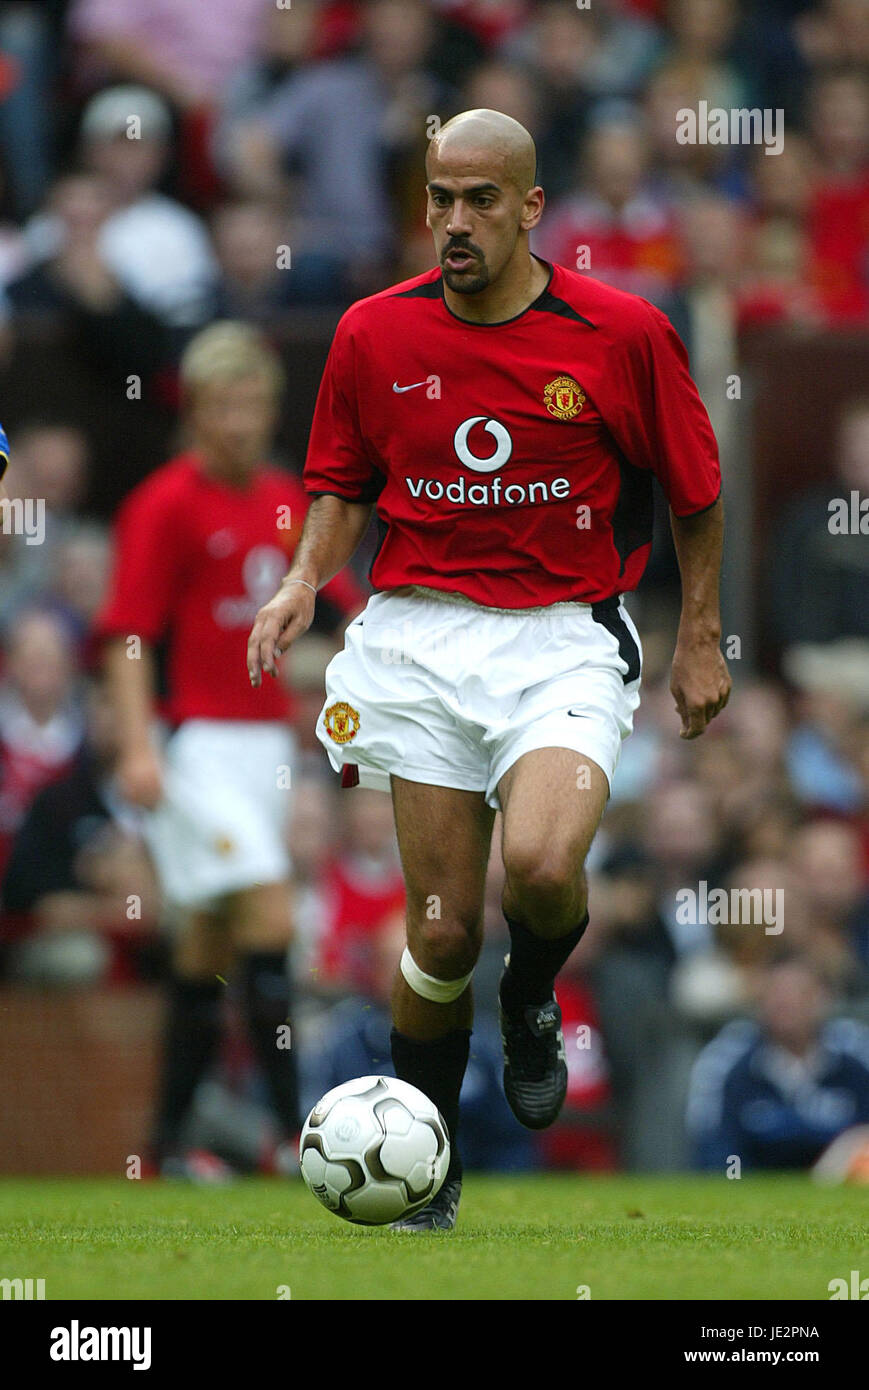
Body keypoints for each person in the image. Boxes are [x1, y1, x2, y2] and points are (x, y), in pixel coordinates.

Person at [247, 109, 731, 1230]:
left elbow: (696, 492)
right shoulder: (371, 333)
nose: (453, 222)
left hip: (562, 632)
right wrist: (299, 578)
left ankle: (529, 997)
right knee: (439, 928)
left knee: (548, 866)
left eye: (477, 200)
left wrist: (698, 633)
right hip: (419, 636)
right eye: (437, 198)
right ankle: (426, 1170)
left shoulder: (619, 334)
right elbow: (338, 485)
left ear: (528, 209)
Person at [96, 321, 363, 1176]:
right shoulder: (163, 503)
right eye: (224, 404)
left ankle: (167, 1147)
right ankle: (296, 1139)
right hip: (199, 747)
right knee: (269, 911)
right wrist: (139, 747)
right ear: (197, 411)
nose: (241, 420)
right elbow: (128, 636)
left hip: (268, 751)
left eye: (254, 403)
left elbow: (346, 598)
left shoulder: (290, 500)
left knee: (206, 950)